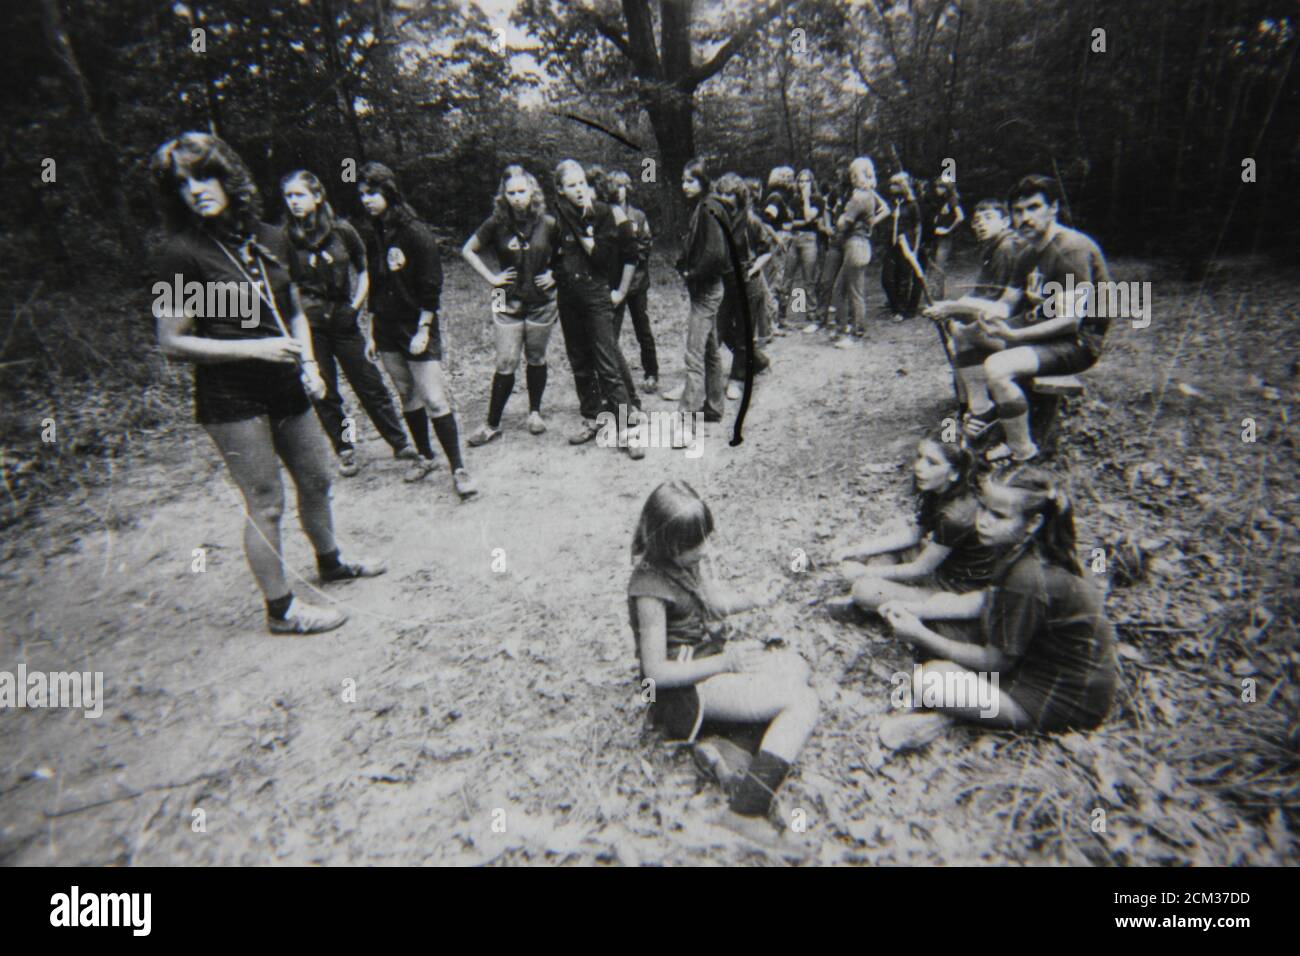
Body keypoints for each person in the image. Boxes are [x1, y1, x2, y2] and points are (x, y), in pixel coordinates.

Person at [149, 133, 385, 635]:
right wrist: (251, 348)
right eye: (182, 184)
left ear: (228, 177)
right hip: (231, 396)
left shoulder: (270, 236)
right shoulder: (181, 254)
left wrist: (311, 366)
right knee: (266, 501)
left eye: (203, 176)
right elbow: (170, 340)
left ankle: (331, 563)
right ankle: (282, 610)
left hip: (285, 382)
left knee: (318, 480)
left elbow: (293, 308)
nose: (195, 190)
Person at [627, 480, 819, 852]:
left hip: (709, 669)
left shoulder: (684, 562)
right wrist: (725, 661)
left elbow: (712, 599)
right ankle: (745, 812)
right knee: (802, 701)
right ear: (667, 544)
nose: (707, 550)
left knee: (796, 667)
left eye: (706, 538)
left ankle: (729, 749)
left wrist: (751, 598)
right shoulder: (649, 589)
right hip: (684, 692)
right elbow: (655, 674)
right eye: (697, 544)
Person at [876, 466, 1117, 746]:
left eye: (998, 515)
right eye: (983, 509)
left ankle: (956, 718)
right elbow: (987, 599)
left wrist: (918, 634)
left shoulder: (1029, 576)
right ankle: (961, 712)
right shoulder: (1024, 548)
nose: (983, 522)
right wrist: (918, 611)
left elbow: (996, 662)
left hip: (1064, 698)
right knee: (943, 613)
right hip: (1032, 657)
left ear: (1033, 522)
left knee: (930, 680)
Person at [929, 174, 1112, 463]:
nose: (1025, 217)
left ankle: (1023, 450)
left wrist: (1013, 336)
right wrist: (960, 310)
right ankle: (982, 412)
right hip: (1041, 329)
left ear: (1053, 208)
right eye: (1018, 210)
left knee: (998, 367)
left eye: (1034, 208)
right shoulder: (1028, 250)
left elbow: (1070, 321)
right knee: (965, 334)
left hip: (1076, 342)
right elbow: (1005, 306)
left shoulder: (1071, 249)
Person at [279, 170, 414, 476]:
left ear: (317, 196)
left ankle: (400, 442)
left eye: (299, 195)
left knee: (369, 384)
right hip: (309, 323)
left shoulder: (342, 231)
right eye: (289, 197)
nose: (294, 202)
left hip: (343, 318)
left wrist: (355, 306)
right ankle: (345, 447)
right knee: (325, 392)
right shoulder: (284, 237)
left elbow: (364, 270)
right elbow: (282, 285)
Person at [358, 163, 477, 497]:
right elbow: (375, 284)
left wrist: (424, 329)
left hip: (415, 325)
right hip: (385, 326)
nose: (366, 200)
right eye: (362, 195)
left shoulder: (415, 232)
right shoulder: (373, 232)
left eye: (372, 193)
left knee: (434, 399)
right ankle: (425, 457)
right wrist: (371, 330)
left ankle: (459, 468)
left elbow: (431, 286)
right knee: (407, 394)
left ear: (389, 191)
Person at [835, 430, 1005, 612]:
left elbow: (921, 569)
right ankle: (880, 587)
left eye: (932, 463)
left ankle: (872, 591)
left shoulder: (956, 515)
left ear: (954, 473)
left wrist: (864, 572)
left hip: (956, 589)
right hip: (942, 566)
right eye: (920, 457)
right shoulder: (939, 488)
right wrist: (855, 549)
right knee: (892, 528)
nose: (919, 467)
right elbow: (915, 534)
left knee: (865, 590)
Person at [550, 160, 644, 459]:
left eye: (582, 184)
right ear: (561, 190)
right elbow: (552, 257)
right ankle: (592, 418)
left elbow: (607, 259)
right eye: (572, 186)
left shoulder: (604, 213)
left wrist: (620, 291)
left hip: (596, 296)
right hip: (568, 298)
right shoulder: (556, 218)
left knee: (607, 363)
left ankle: (628, 430)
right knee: (579, 360)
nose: (579, 190)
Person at [460, 164, 559, 445]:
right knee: (506, 361)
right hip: (505, 297)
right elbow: (467, 250)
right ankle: (491, 424)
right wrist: (492, 277)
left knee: (536, 357)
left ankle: (535, 412)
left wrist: (554, 274)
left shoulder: (549, 223)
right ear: (503, 195)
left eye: (521, 191)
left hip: (541, 300)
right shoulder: (496, 223)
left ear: (532, 192)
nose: (517, 197)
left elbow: (568, 254)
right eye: (511, 192)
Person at [924, 198, 1029, 432]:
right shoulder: (992, 247)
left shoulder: (1006, 248)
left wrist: (952, 308)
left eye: (988, 219)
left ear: (1005, 221)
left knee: (962, 334)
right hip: (1008, 322)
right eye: (976, 221)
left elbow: (994, 302)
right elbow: (981, 292)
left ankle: (978, 410)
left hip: (1019, 328)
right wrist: (953, 308)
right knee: (958, 331)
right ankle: (969, 407)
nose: (981, 224)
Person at [665, 158, 730, 445]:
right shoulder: (703, 208)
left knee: (693, 354)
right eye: (682, 180)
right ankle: (714, 406)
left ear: (703, 181)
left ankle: (686, 421)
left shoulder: (709, 208)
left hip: (707, 289)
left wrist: (693, 272)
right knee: (709, 351)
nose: (684, 186)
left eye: (690, 180)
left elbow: (716, 254)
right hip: (706, 289)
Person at [712, 172, 771, 401]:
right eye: (722, 194)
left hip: (747, 283)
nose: (726, 199)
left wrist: (756, 267)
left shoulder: (750, 220)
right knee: (722, 327)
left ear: (740, 196)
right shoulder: (716, 217)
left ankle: (737, 378)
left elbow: (766, 249)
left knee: (744, 333)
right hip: (725, 282)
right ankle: (758, 359)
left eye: (731, 195)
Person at [604, 169, 660, 392]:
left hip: (636, 283)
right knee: (610, 332)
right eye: (613, 187)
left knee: (642, 328)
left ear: (627, 189)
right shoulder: (604, 215)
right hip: (614, 284)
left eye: (621, 186)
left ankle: (651, 372)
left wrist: (633, 260)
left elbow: (645, 245)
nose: (618, 191)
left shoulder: (637, 216)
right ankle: (612, 378)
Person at [824, 158, 889, 348]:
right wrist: (870, 222)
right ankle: (846, 329)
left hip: (855, 245)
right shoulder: (870, 194)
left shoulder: (859, 197)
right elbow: (884, 210)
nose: (853, 178)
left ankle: (853, 332)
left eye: (856, 174)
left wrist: (844, 217)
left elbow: (842, 224)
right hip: (860, 244)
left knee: (849, 291)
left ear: (867, 174)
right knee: (848, 290)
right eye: (852, 174)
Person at [881, 171, 924, 323]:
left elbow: (918, 227)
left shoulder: (912, 204)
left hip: (906, 245)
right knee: (887, 278)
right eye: (891, 184)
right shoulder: (891, 203)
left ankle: (900, 310)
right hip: (891, 245)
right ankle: (894, 304)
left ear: (903, 186)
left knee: (904, 277)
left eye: (895, 184)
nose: (892, 187)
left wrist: (916, 247)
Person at [782, 168, 822, 327]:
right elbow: (788, 224)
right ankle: (781, 315)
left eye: (806, 181)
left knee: (809, 280)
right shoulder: (793, 201)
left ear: (812, 182)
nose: (803, 184)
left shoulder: (818, 200)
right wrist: (805, 222)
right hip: (795, 238)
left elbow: (808, 216)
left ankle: (812, 315)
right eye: (800, 181)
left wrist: (806, 200)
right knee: (787, 278)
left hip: (809, 240)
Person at [924, 175, 965, 299]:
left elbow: (960, 217)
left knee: (939, 266)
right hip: (936, 236)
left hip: (945, 238)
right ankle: (936, 294)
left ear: (947, 188)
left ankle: (937, 296)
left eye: (940, 187)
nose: (937, 189)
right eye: (937, 186)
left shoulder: (952, 199)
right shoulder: (941, 200)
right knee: (935, 265)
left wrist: (948, 230)